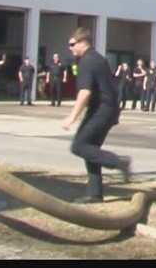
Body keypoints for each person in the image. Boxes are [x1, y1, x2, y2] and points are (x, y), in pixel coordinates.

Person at [61, 27, 132, 203]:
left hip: (101, 109)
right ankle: (95, 194)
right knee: (90, 149)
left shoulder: (86, 61)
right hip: (108, 109)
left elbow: (85, 92)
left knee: (79, 146)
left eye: (72, 44)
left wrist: (72, 117)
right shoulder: (98, 58)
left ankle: (119, 162)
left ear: (83, 42)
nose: (70, 48)